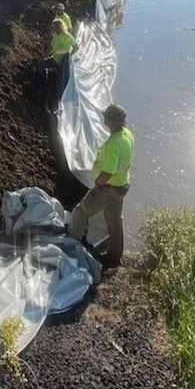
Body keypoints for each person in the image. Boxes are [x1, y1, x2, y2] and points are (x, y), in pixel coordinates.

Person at [67, 103, 134, 268]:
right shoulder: (127, 135)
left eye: (106, 118)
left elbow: (108, 171)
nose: (104, 120)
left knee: (80, 212)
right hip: (122, 185)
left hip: (109, 188)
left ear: (112, 121)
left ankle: (71, 246)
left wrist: (98, 183)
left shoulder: (114, 143)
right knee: (114, 220)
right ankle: (114, 257)